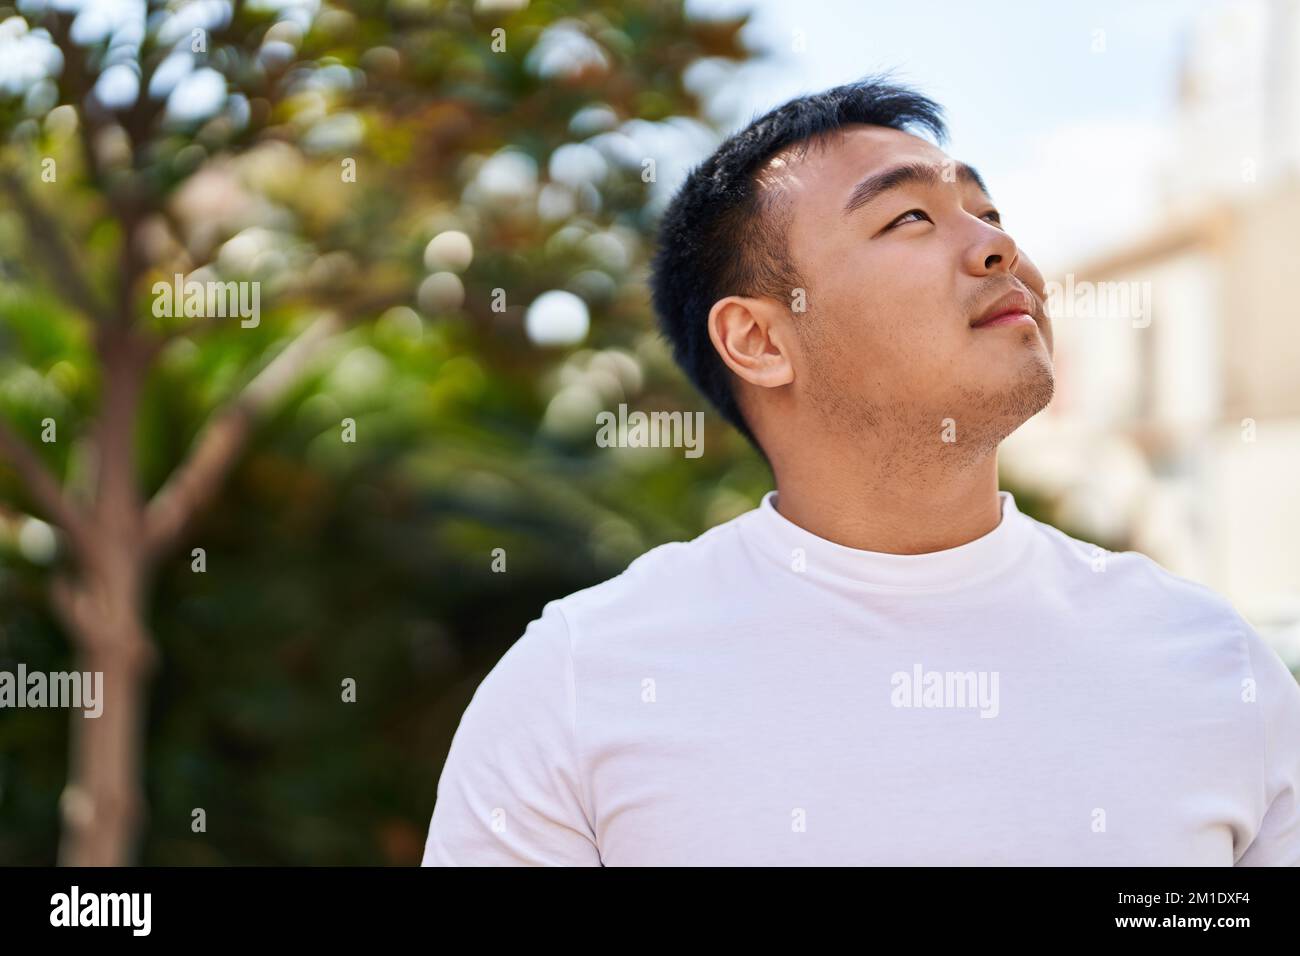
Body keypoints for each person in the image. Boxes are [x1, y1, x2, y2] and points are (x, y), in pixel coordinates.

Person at [422, 76, 1300, 866]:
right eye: (909, 218)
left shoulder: (1213, 662)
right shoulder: (579, 684)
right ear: (759, 339)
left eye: (989, 213)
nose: (1000, 249)